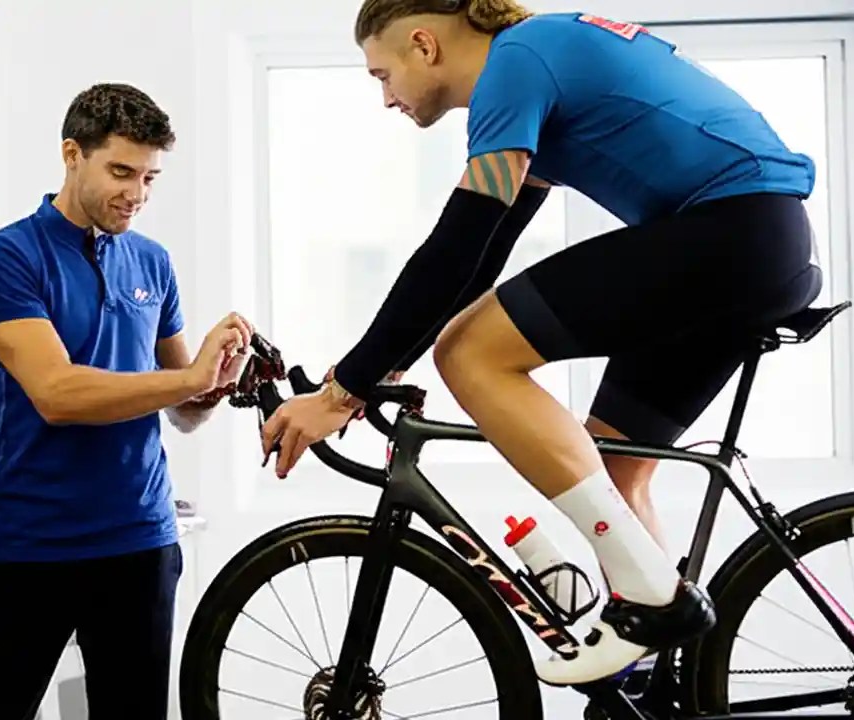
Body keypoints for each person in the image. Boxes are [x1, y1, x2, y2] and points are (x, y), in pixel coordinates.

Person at [261, 0, 822, 687]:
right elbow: (489, 249)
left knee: (468, 353)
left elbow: (458, 241)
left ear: (423, 44)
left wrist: (346, 387)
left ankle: (651, 597)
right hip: (757, 247)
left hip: (731, 237)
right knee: (613, 466)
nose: (385, 99)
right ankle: (653, 674)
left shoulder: (516, 62)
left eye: (383, 75)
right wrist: (383, 367)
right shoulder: (541, 61)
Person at [0, 83, 253, 718]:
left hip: (139, 542)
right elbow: (57, 394)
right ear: (71, 154)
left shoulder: (152, 261)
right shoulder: (7, 256)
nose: (136, 195)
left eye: (149, 178)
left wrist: (217, 379)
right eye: (121, 171)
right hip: (34, 545)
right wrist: (189, 380)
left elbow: (184, 410)